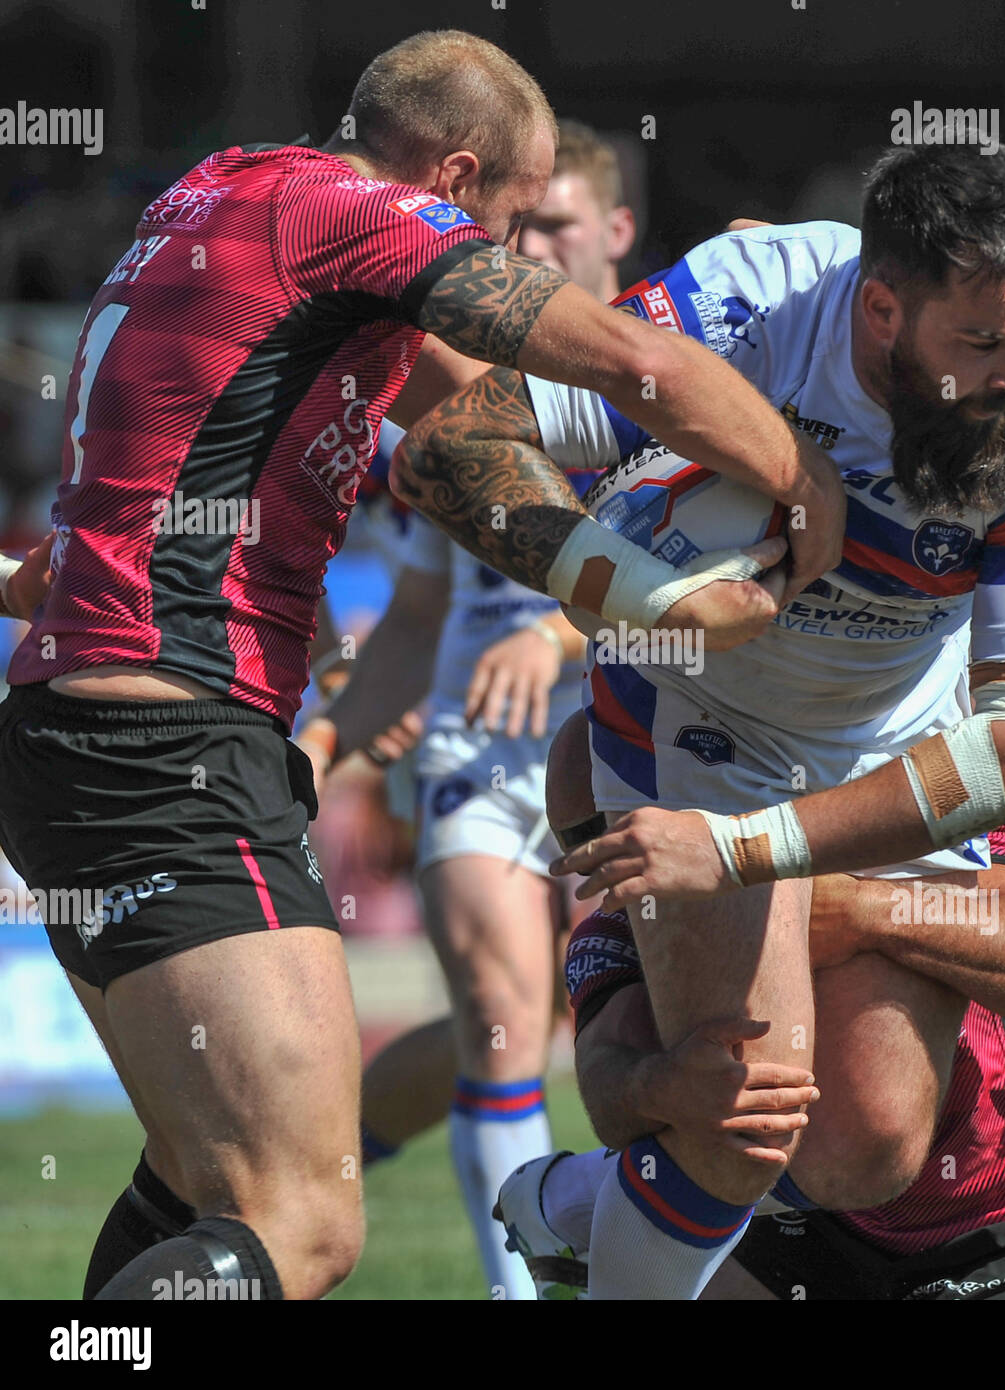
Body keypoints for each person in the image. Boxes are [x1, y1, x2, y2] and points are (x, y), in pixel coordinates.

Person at [0, 30, 842, 1301]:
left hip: (94, 727)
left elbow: (461, 448)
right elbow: (636, 362)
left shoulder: (230, 187)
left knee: (205, 1184)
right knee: (306, 1223)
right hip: (168, 735)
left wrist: (640, 597)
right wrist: (805, 479)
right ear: (449, 181)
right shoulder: (361, 217)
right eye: (504, 222)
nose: (504, 255)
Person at [428, 143, 1005, 1297]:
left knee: (865, 1146)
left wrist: (747, 854)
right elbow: (457, 446)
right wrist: (640, 596)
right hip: (692, 720)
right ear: (881, 306)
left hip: (883, 741)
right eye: (982, 345)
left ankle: (573, 1204)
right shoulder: (746, 307)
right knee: (743, 1114)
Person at [301, 120, 638, 1299]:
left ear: (617, 233)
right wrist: (331, 737)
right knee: (501, 1013)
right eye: (519, 224)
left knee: (578, 1029)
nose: (531, 242)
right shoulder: (463, 389)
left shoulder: (674, 377)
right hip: (478, 745)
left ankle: (330, 1143)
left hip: (639, 739)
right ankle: (523, 1290)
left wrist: (561, 628)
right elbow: (418, 599)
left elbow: (742, 582)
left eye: (556, 223)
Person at [502, 823, 1005, 1301]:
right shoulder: (616, 928)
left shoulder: (896, 815)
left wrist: (865, 910)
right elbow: (604, 1079)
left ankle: (589, 1197)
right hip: (812, 1229)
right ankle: (598, 1209)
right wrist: (655, 1086)